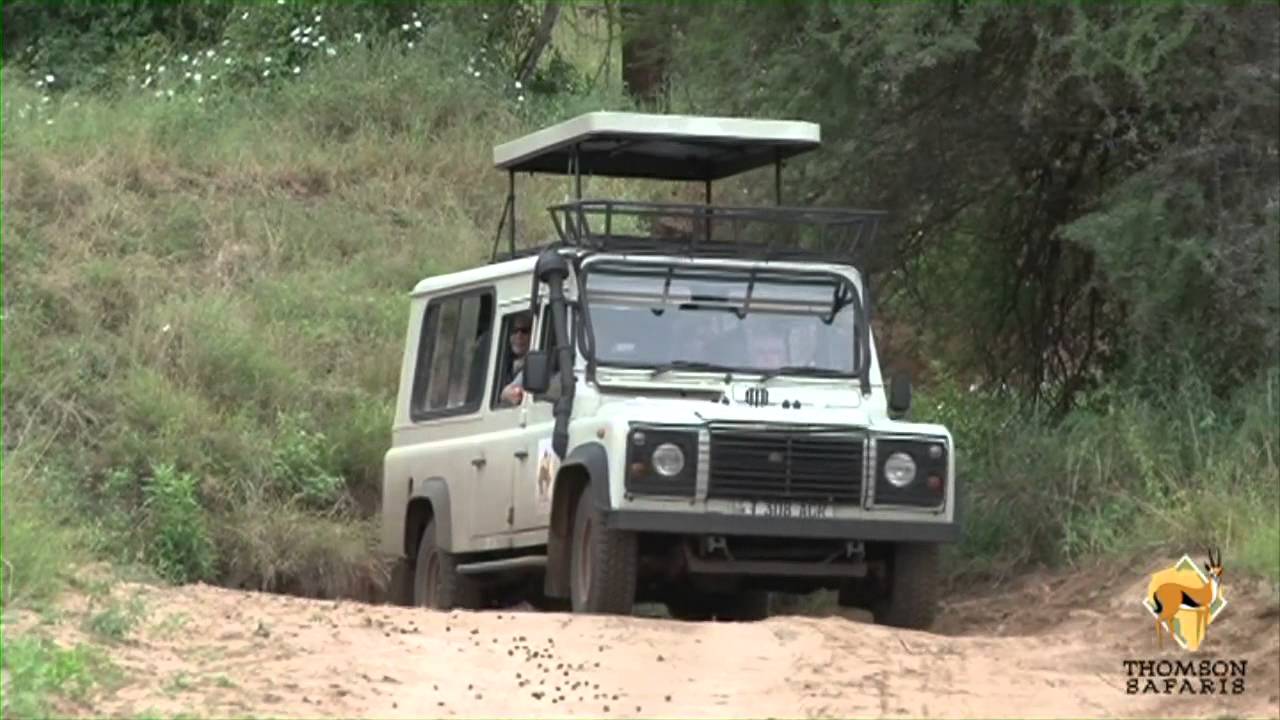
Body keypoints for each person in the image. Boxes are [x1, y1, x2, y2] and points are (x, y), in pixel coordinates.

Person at [499, 311, 533, 406]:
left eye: (524, 331)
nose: (519, 336)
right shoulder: (501, 363)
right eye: (514, 331)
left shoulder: (535, 365)